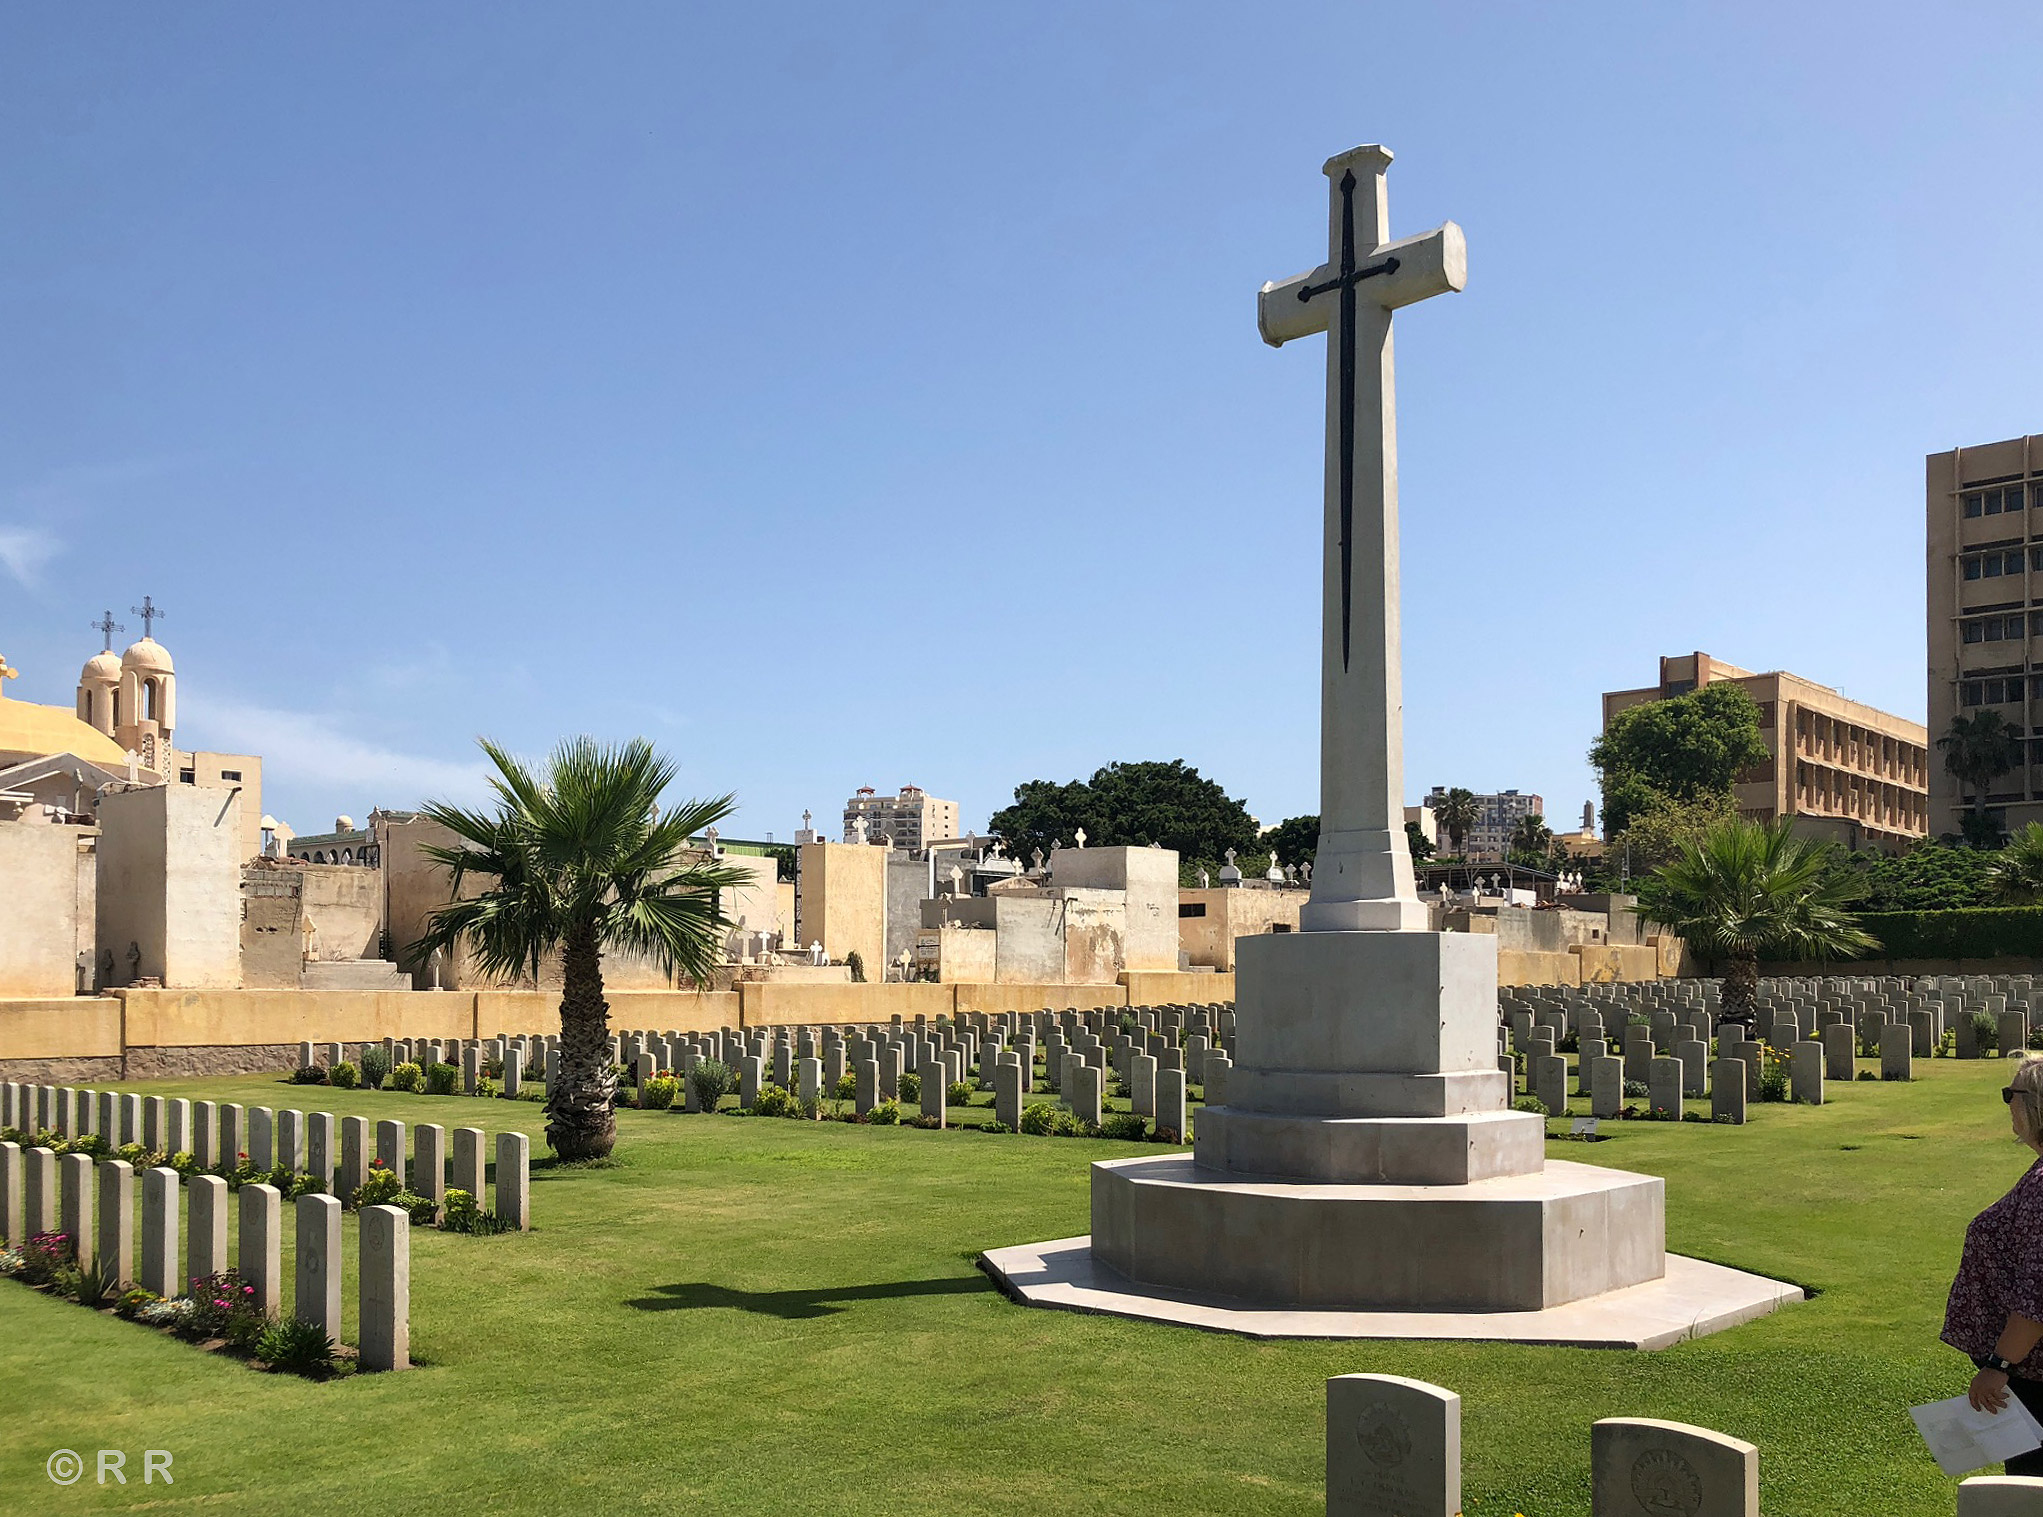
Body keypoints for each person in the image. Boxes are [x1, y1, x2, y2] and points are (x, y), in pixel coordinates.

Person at [1943, 1054, 2043, 1474]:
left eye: (2010, 1095)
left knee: (2031, 1488)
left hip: (2031, 1376)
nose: (2007, 1104)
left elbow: (2037, 1294)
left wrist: (1998, 1366)